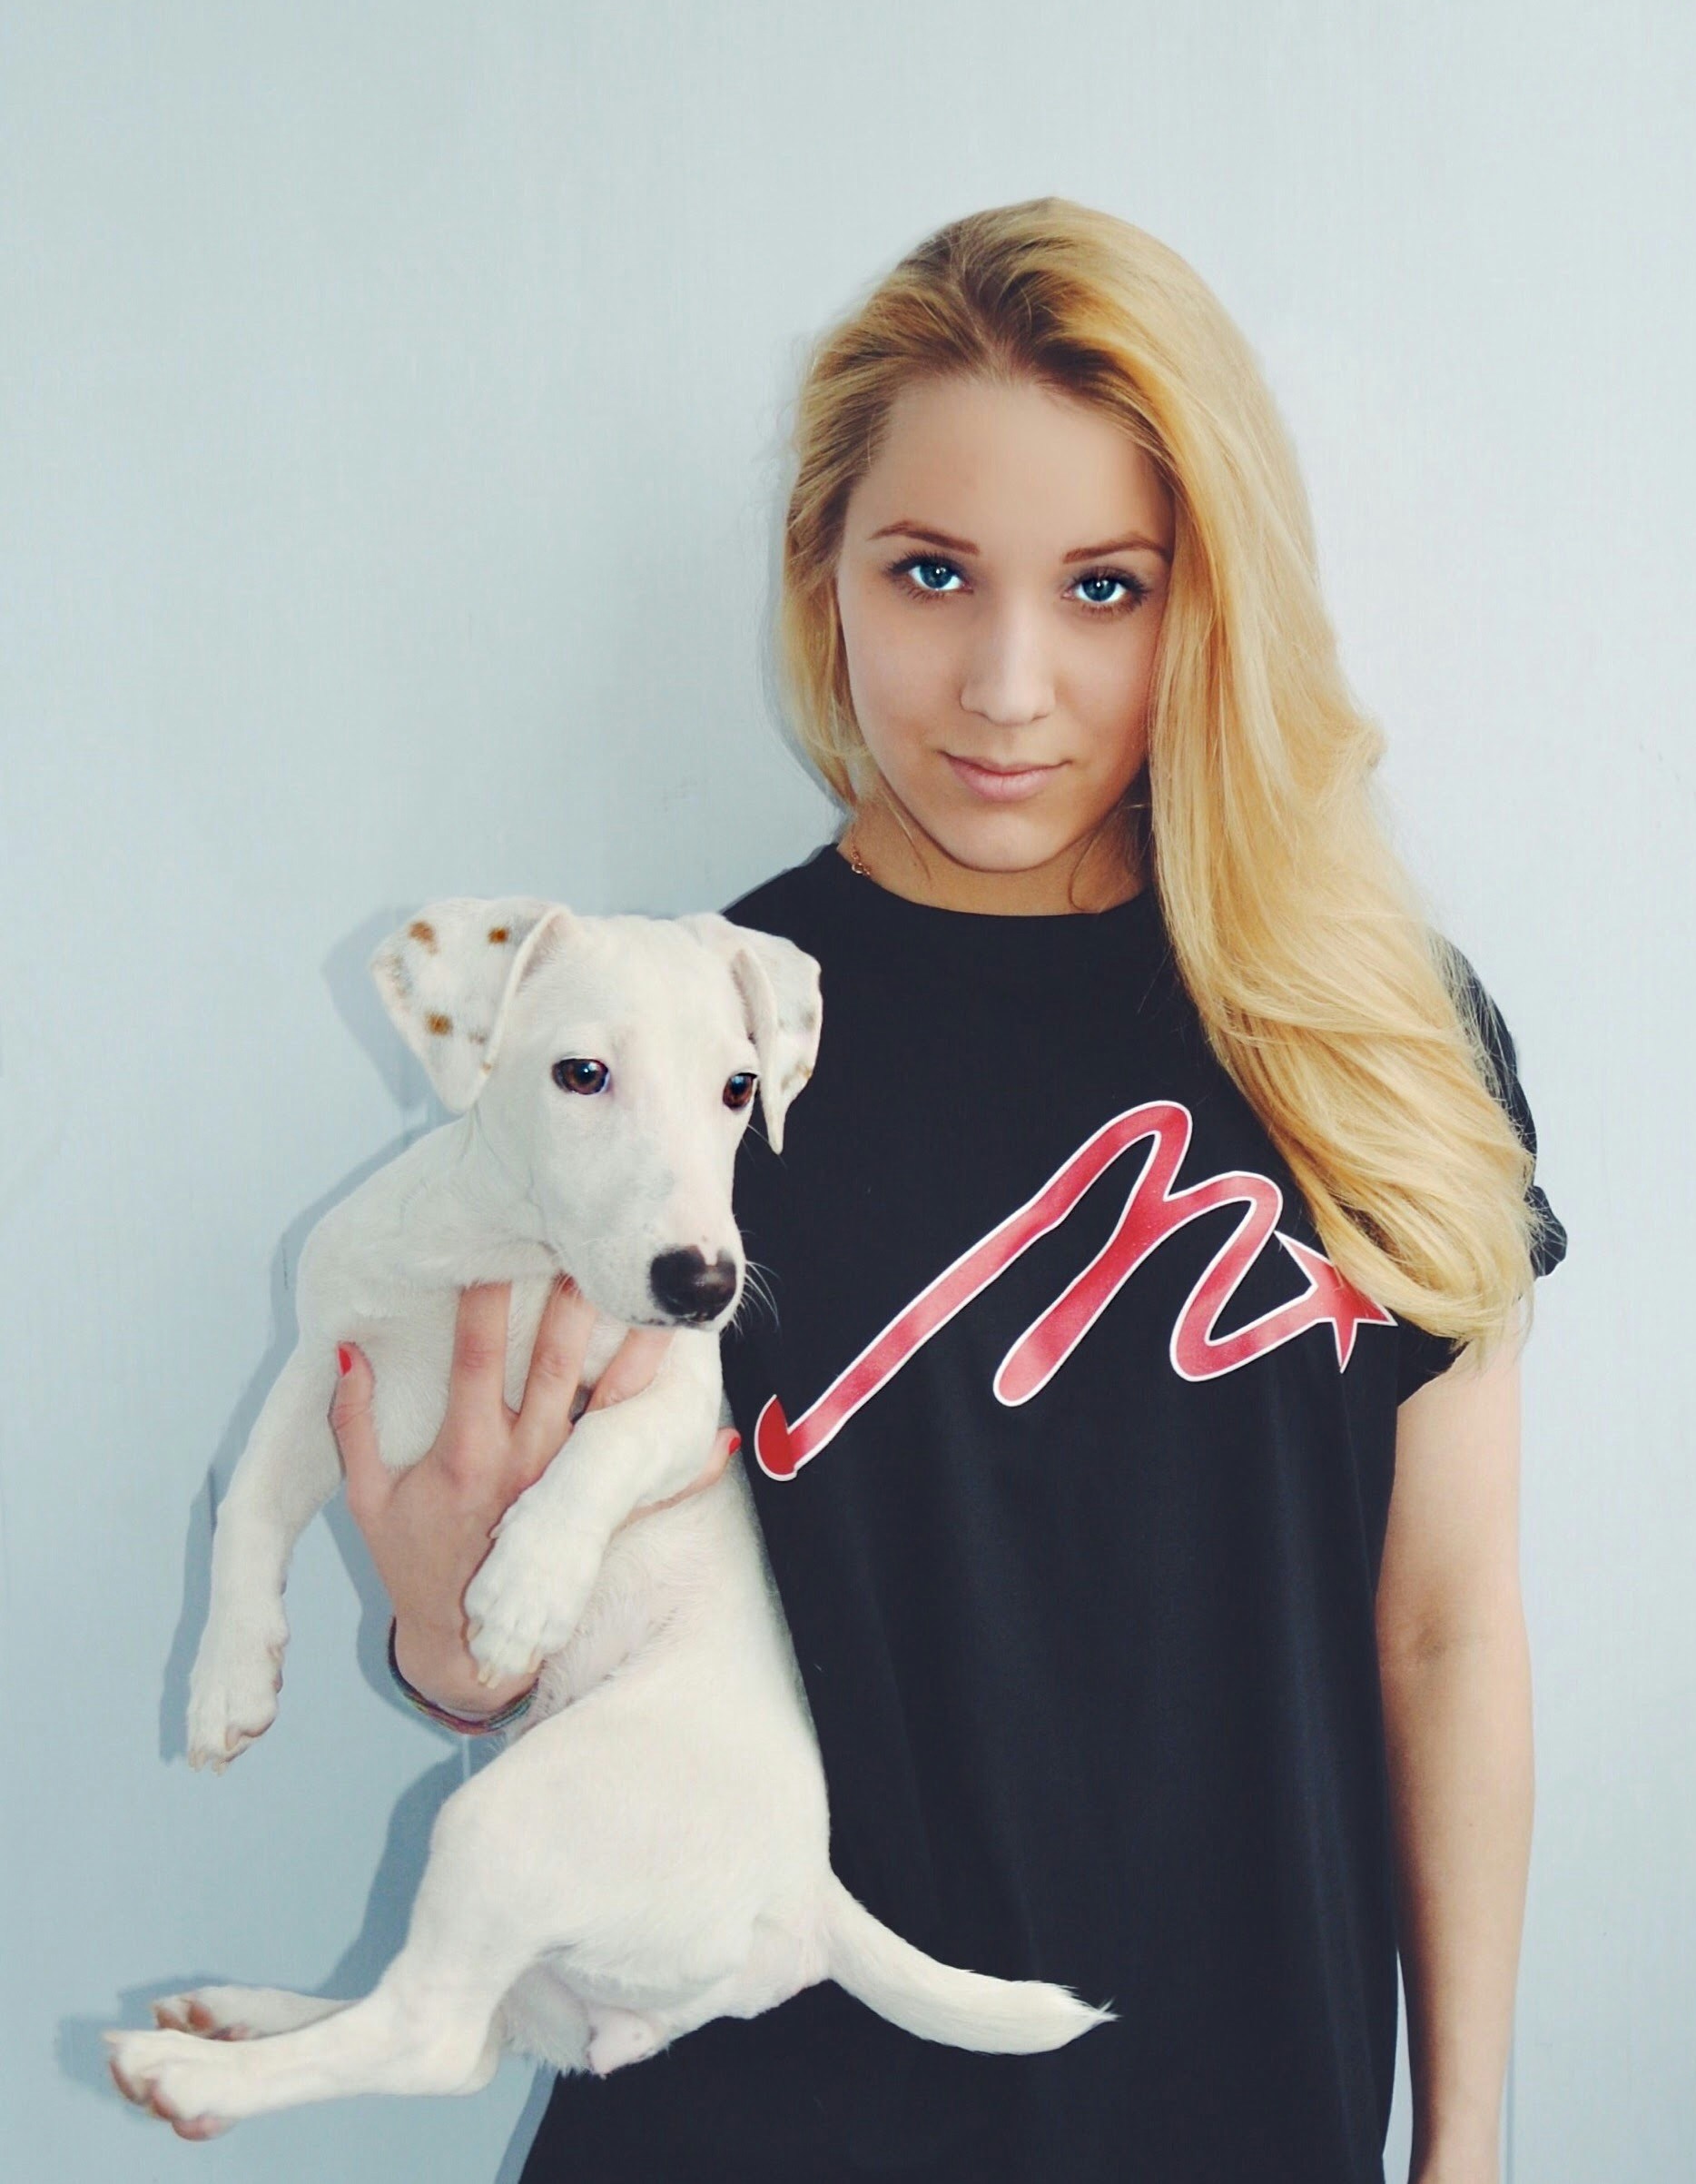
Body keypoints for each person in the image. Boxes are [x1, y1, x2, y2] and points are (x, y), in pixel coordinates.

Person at [336, 198, 1567, 2184]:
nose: (1006, 683)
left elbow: (1442, 1633)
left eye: (1103, 587)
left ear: (1209, 601)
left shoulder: (1375, 1042)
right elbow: (551, 1619)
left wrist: (1470, 2143)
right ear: (821, 574)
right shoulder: (675, 1057)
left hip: (1237, 2123)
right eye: (931, 573)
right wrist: (443, 1643)